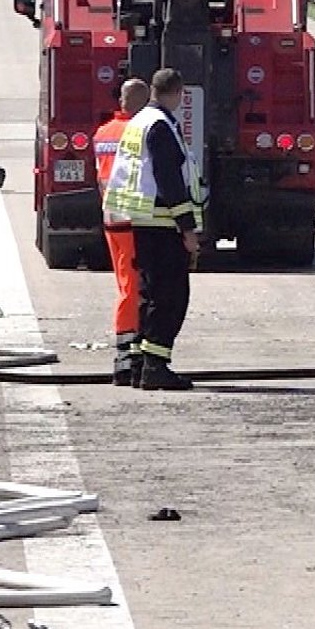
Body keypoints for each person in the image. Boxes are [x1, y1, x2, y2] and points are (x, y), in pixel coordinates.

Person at [102, 68, 201, 391]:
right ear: (177, 93)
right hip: (162, 223)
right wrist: (188, 228)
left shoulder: (139, 121)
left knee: (148, 293)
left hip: (141, 221)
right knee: (170, 296)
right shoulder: (160, 126)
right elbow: (169, 180)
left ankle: (139, 364)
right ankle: (155, 366)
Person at [94, 77, 151, 385]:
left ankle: (130, 347)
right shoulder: (138, 132)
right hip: (132, 218)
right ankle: (126, 350)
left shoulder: (103, 132)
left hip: (111, 217)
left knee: (125, 282)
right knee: (133, 287)